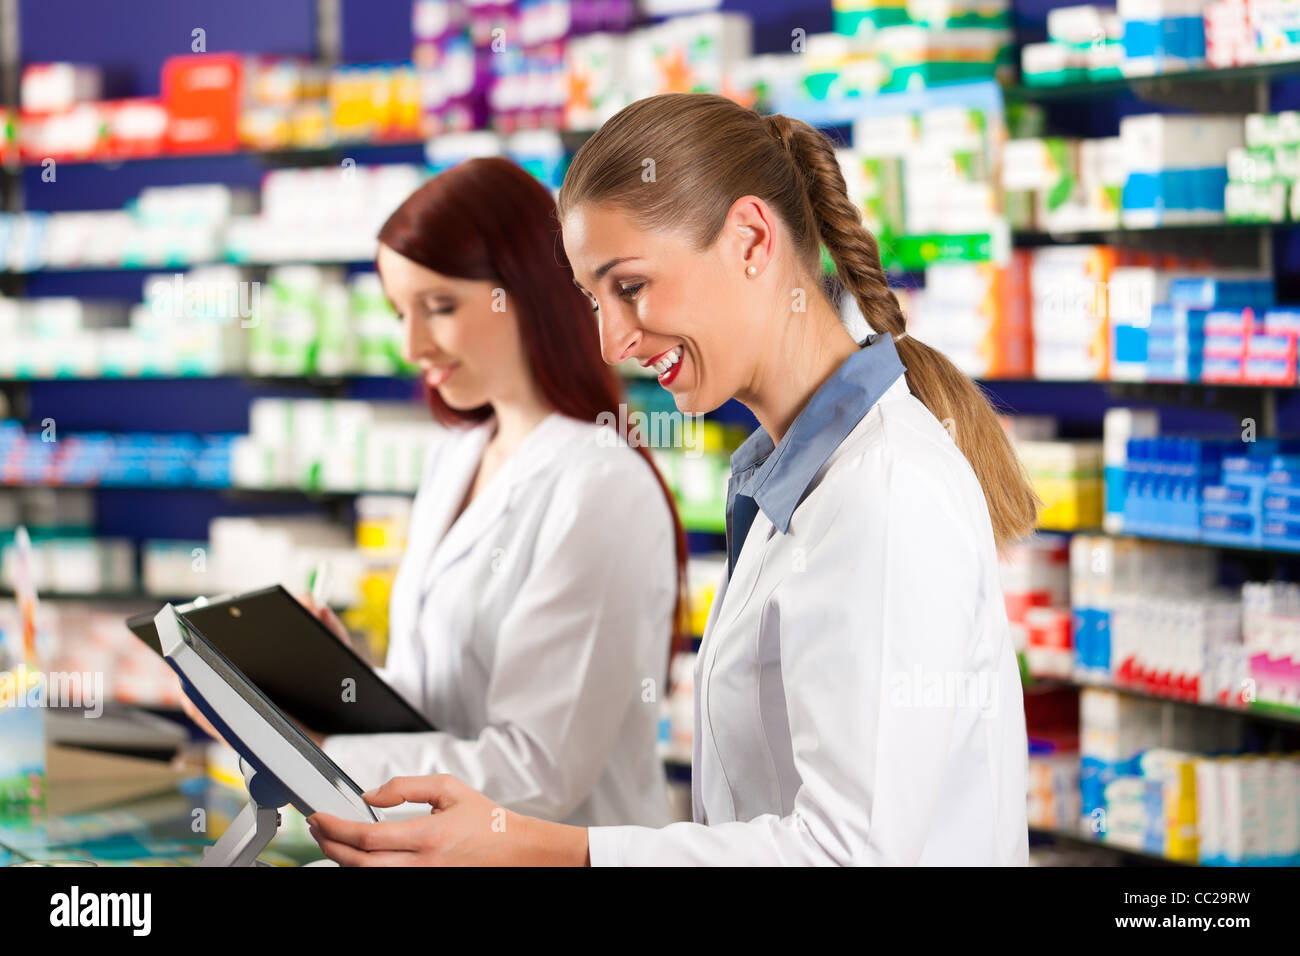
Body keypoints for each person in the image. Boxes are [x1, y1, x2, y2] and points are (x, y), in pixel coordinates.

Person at [307, 93, 1040, 866]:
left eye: (629, 288)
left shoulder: (882, 489)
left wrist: (541, 847)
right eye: (593, 300)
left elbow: (849, 853)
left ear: (751, 240)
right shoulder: (787, 480)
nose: (612, 342)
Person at [187, 156, 687, 829]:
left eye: (440, 307)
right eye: (401, 312)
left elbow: (536, 774)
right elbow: (443, 709)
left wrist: (318, 752)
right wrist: (339, 683)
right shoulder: (458, 456)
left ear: (528, 288)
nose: (412, 345)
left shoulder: (601, 486)